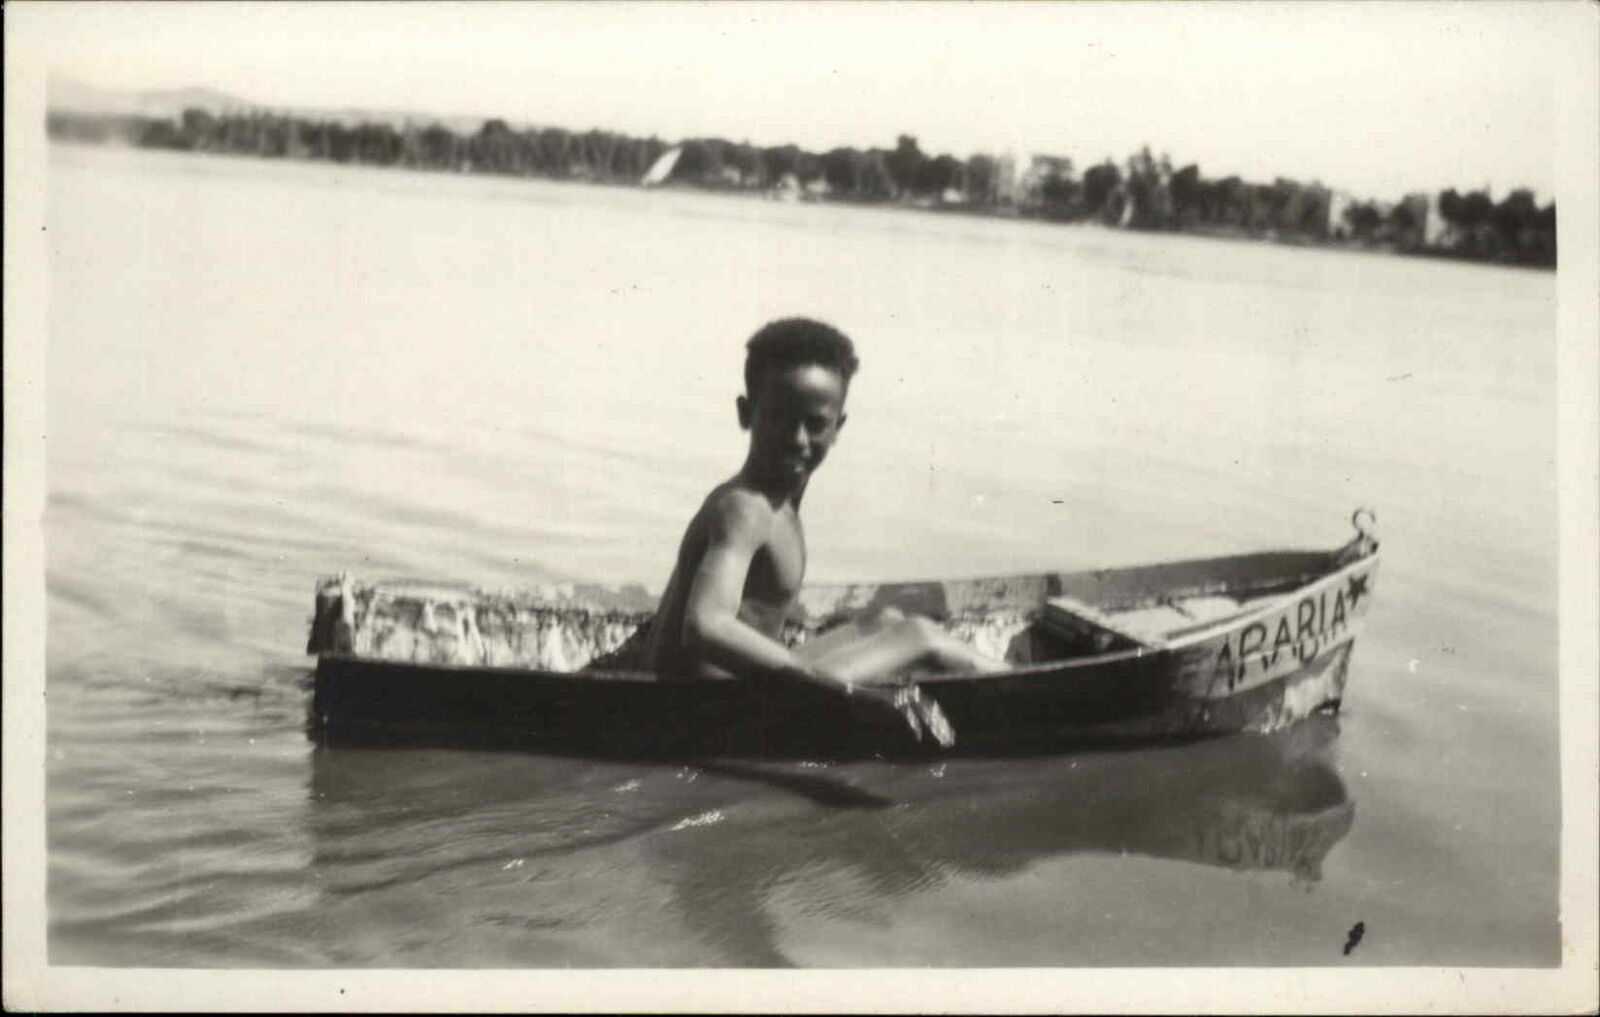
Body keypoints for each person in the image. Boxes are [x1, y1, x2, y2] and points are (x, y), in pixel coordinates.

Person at [640, 318, 1004, 744]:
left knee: (884, 620)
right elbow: (704, 625)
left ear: (838, 428)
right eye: (779, 418)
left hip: (736, 691)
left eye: (815, 424)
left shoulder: (779, 505)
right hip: (702, 709)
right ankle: (1033, 687)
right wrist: (851, 696)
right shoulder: (744, 508)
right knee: (919, 636)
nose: (798, 439)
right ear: (746, 414)